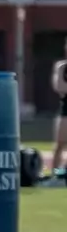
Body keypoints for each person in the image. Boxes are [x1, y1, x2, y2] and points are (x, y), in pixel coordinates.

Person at [51, 40, 67, 180]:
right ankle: (55, 174)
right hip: (65, 111)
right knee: (60, 144)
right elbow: (59, 87)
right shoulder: (62, 67)